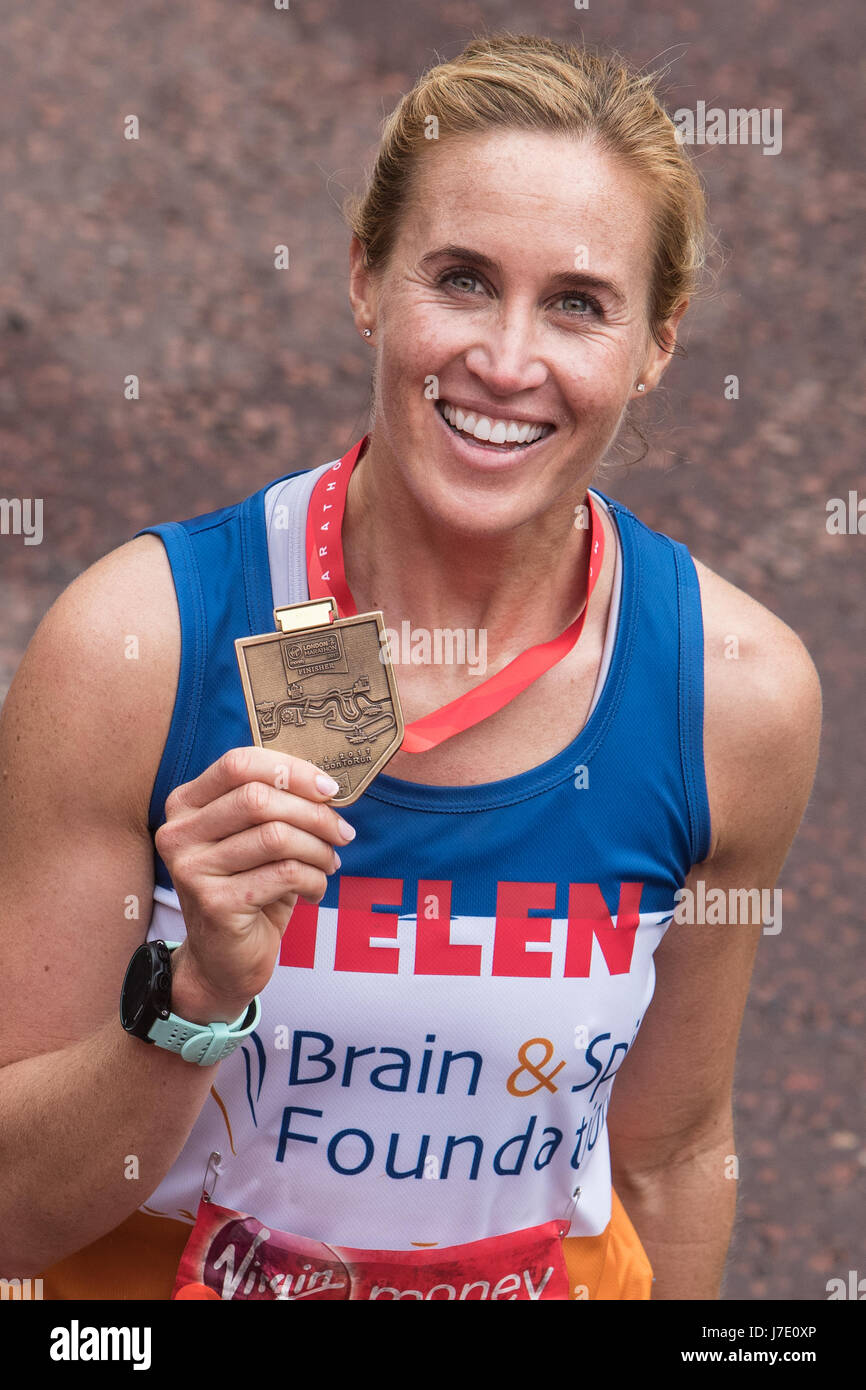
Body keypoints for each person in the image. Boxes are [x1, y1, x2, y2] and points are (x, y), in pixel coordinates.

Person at [0, 34, 820, 1301]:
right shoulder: (140, 649)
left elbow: (667, 1155)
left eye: (577, 303)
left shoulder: (734, 692)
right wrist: (195, 994)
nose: (505, 359)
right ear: (365, 279)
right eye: (460, 278)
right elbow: (11, 1218)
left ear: (657, 344)